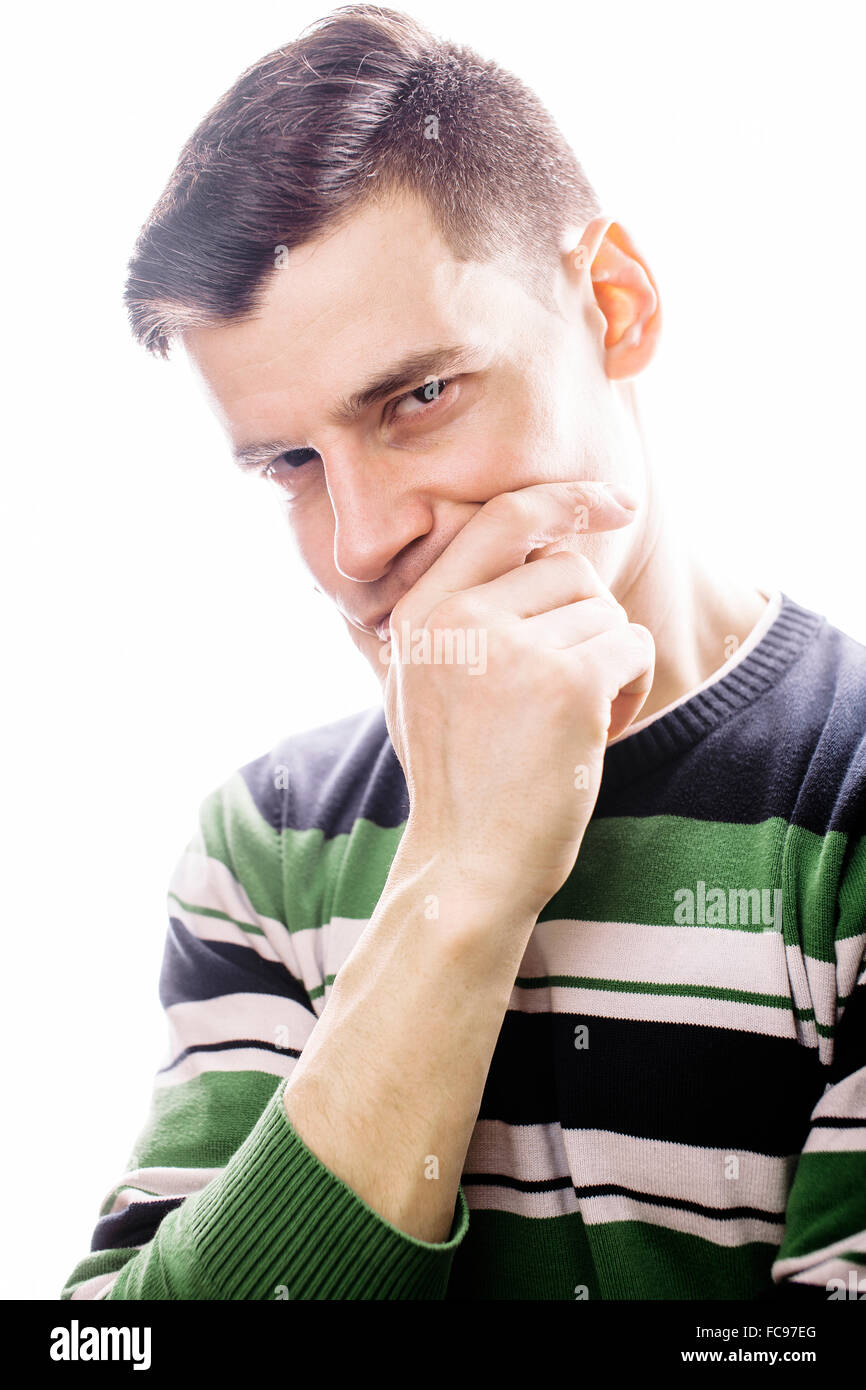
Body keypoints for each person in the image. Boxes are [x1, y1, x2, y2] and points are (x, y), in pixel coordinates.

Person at [61, 4, 865, 1301]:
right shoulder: (266, 848)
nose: (362, 543)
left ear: (613, 305)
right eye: (290, 463)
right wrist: (457, 880)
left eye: (419, 397)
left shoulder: (846, 810)